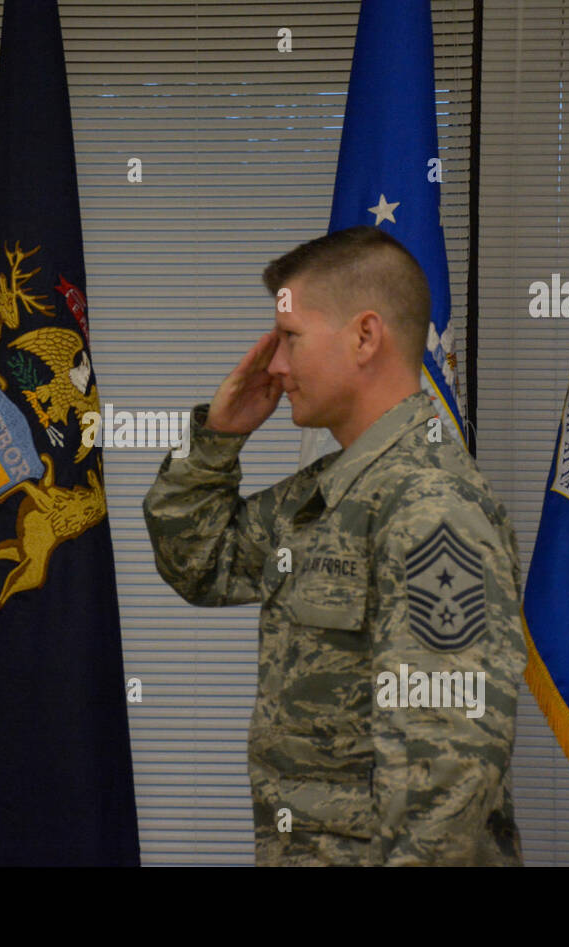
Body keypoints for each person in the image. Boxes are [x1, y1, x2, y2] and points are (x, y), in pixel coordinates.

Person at [143, 225, 524, 865]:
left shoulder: (429, 507)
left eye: (290, 338)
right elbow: (197, 563)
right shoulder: (333, 493)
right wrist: (215, 436)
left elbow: (448, 762)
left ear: (365, 336)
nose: (276, 365)